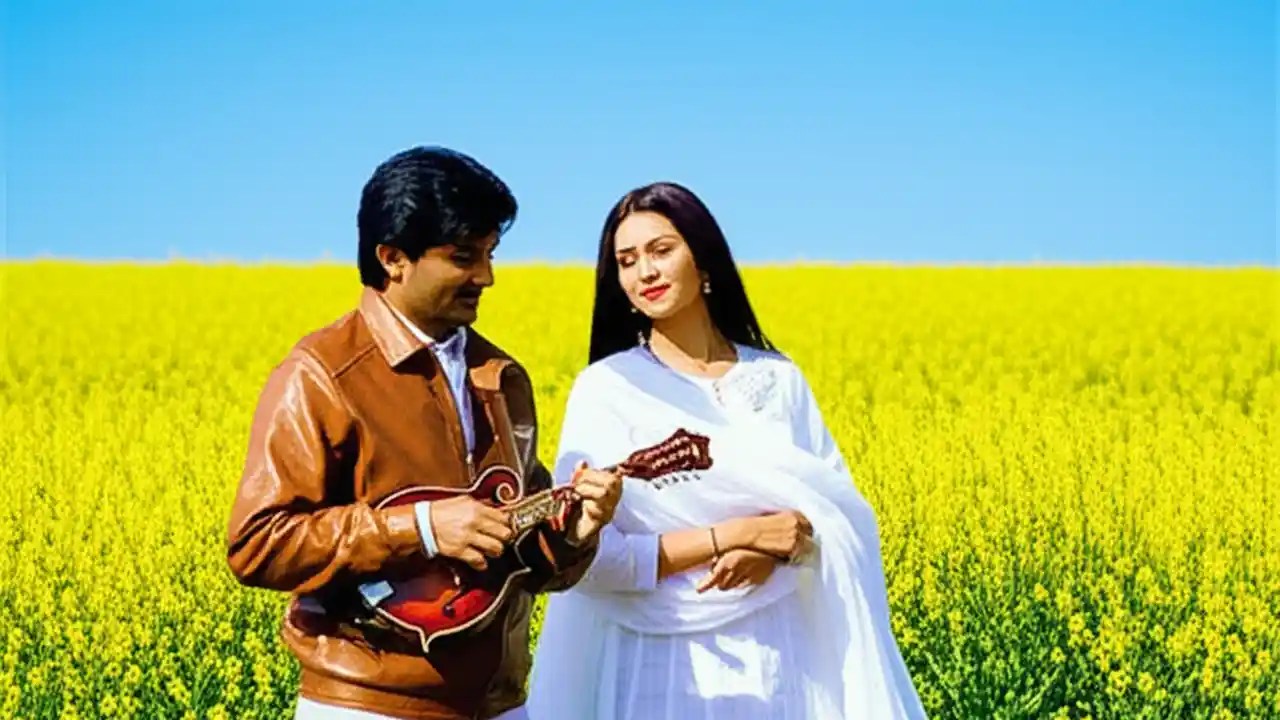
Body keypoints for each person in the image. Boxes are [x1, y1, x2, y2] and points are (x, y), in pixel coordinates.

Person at [225, 146, 622, 720]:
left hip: (500, 704)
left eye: (490, 253)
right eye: (464, 256)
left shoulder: (503, 377)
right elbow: (258, 543)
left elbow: (522, 557)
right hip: (371, 705)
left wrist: (578, 528)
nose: (486, 276)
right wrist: (421, 529)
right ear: (393, 259)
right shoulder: (321, 373)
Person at [526, 182, 927, 719]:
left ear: (704, 258)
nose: (644, 271)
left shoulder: (778, 379)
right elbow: (595, 559)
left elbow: (839, 516)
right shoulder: (608, 389)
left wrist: (777, 547)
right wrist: (737, 535)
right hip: (656, 662)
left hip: (782, 655)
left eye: (661, 250)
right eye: (626, 260)